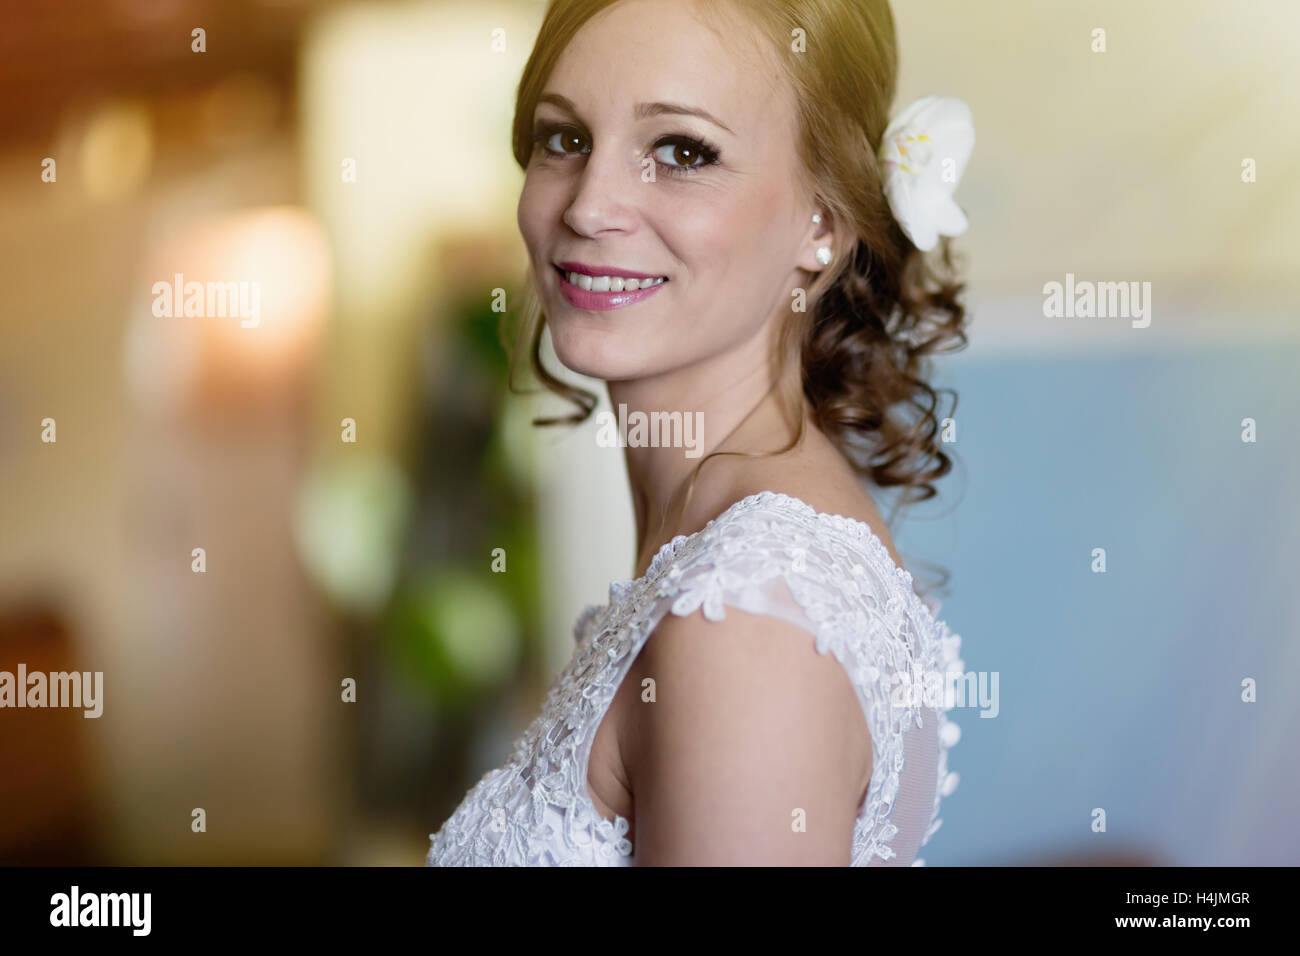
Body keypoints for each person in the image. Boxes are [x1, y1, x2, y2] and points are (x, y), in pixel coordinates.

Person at [428, 0, 972, 866]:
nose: (590, 207)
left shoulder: (743, 623)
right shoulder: (728, 547)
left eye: (682, 151)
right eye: (564, 138)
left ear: (822, 224)